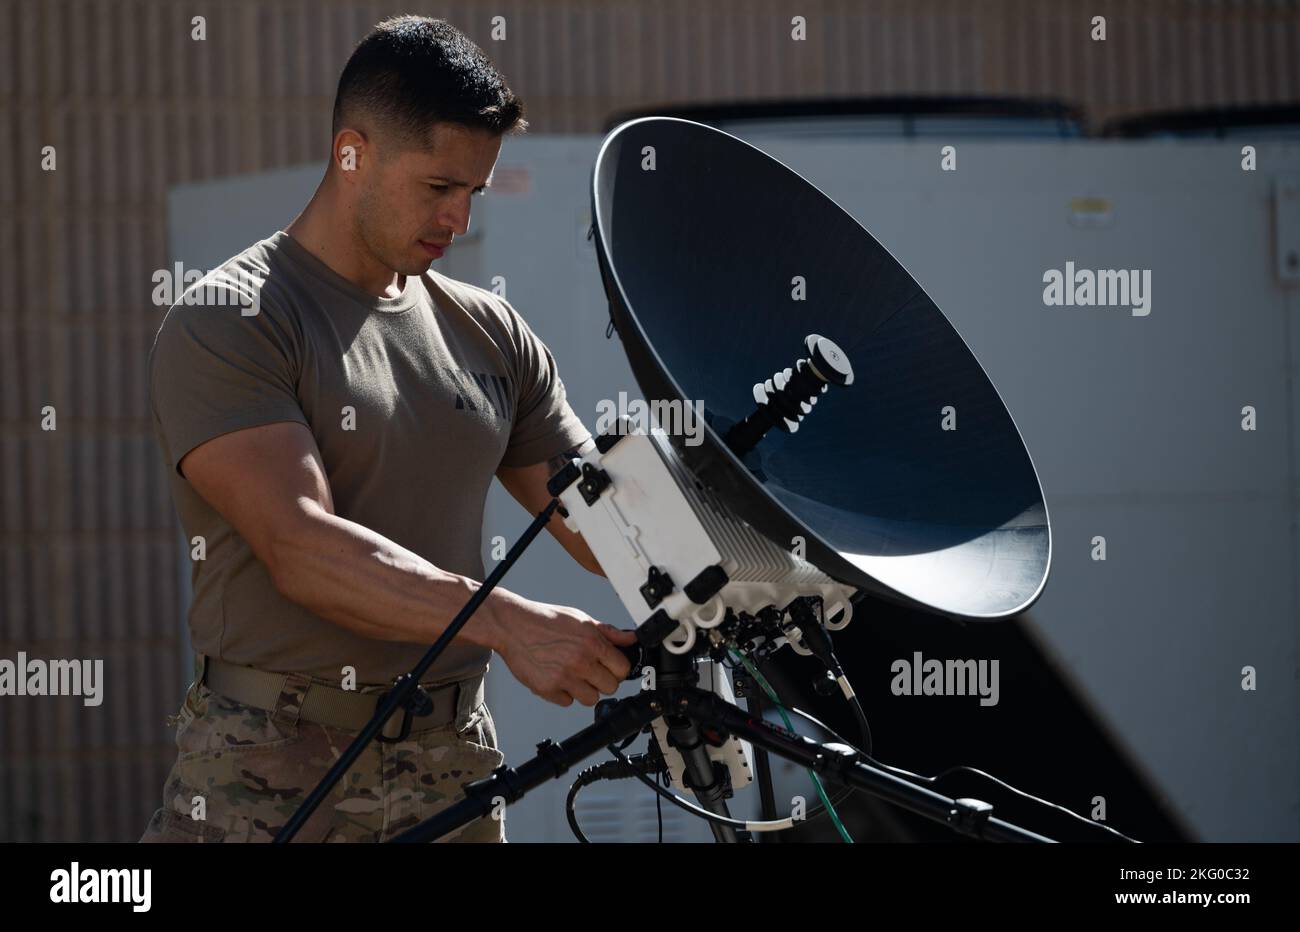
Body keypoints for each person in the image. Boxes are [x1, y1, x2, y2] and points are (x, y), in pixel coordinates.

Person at [139, 14, 635, 843]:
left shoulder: (491, 332)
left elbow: (606, 520)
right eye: (437, 187)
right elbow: (303, 548)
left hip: (454, 760)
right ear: (350, 153)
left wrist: (755, 552)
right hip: (273, 762)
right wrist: (512, 623)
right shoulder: (234, 318)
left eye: (473, 192)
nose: (459, 220)